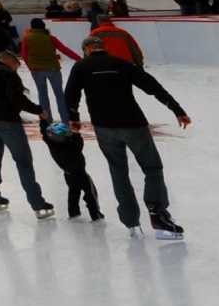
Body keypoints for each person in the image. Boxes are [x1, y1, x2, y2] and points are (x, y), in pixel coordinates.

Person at [64, 43, 191, 239]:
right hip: (133, 124)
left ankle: (131, 223)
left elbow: (71, 93)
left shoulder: (81, 66)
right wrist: (177, 109)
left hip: (104, 127)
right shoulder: (121, 63)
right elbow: (152, 86)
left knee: (118, 172)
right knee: (152, 168)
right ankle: (158, 215)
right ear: (103, 48)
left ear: (86, 50)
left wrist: (73, 117)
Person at [0, 49, 53, 219]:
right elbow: (18, 99)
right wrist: (39, 111)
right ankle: (37, 204)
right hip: (8, 123)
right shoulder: (8, 74)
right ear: (9, 61)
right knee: (23, 162)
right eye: (16, 65)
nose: (16, 69)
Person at [39, 123, 102, 222]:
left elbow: (44, 135)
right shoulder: (70, 146)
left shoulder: (52, 144)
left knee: (73, 192)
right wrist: (76, 134)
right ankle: (95, 214)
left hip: (68, 174)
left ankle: (73, 212)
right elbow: (79, 145)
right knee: (90, 192)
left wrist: (43, 122)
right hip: (81, 173)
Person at [20, 19, 66, 121]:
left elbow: (24, 55)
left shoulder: (26, 39)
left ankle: (47, 120)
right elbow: (65, 49)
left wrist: (30, 67)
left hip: (37, 70)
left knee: (42, 95)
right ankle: (65, 119)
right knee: (59, 95)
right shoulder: (50, 38)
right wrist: (79, 59)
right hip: (53, 68)